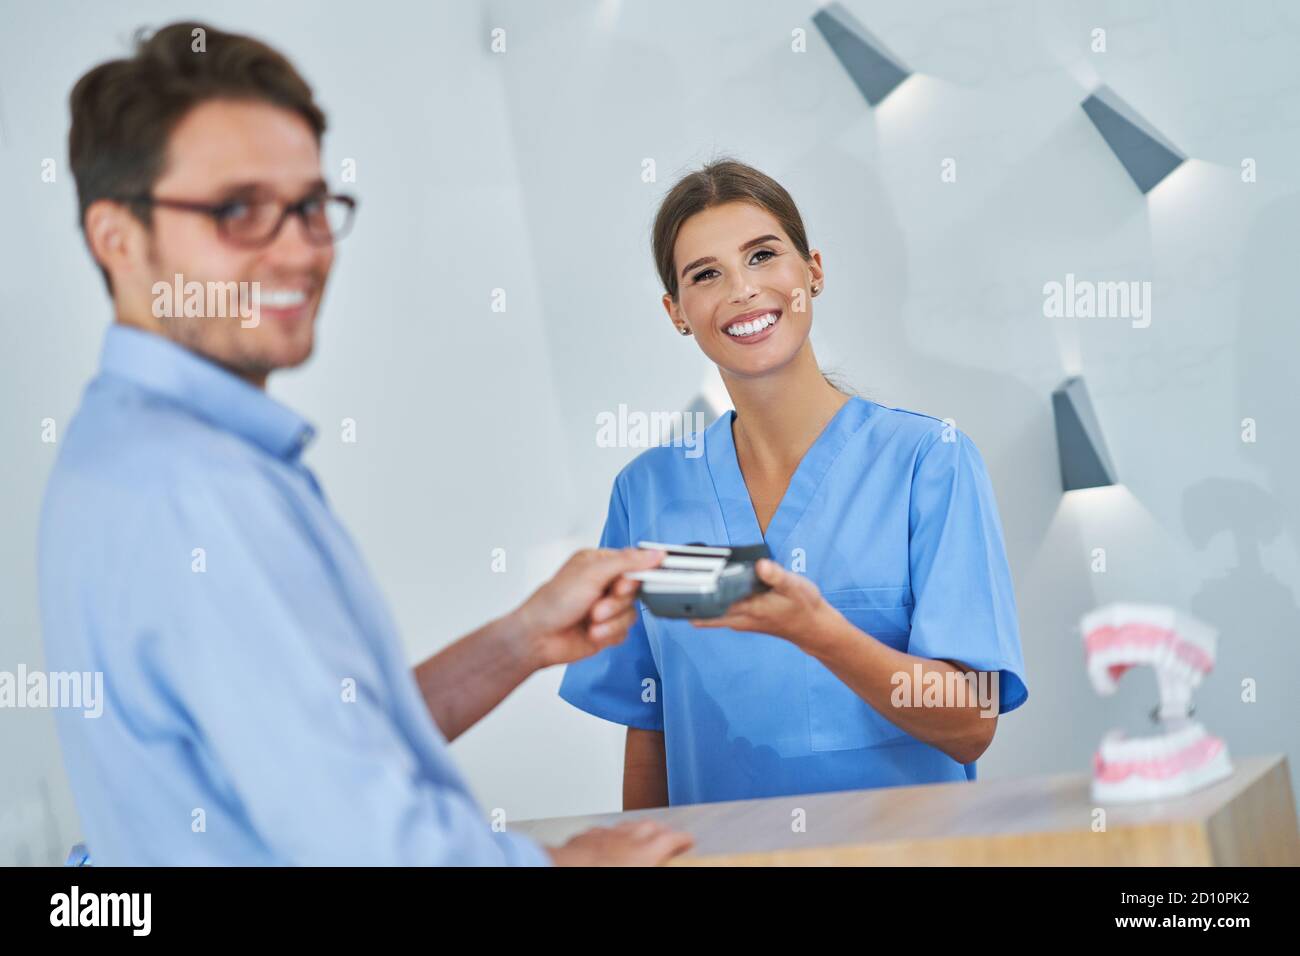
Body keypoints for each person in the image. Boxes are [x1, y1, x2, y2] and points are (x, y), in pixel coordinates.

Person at [38, 21, 693, 866]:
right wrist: (572, 864)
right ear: (116, 239)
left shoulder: (129, 448)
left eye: (310, 207)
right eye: (238, 210)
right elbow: (362, 841)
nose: (298, 251)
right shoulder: (194, 487)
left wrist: (523, 638)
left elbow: (313, 742)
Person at [559, 160, 1029, 808]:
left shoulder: (930, 464)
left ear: (813, 270)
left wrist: (820, 633)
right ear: (676, 311)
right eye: (706, 274)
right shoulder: (646, 496)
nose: (743, 289)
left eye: (762, 255)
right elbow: (651, 727)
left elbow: (972, 725)